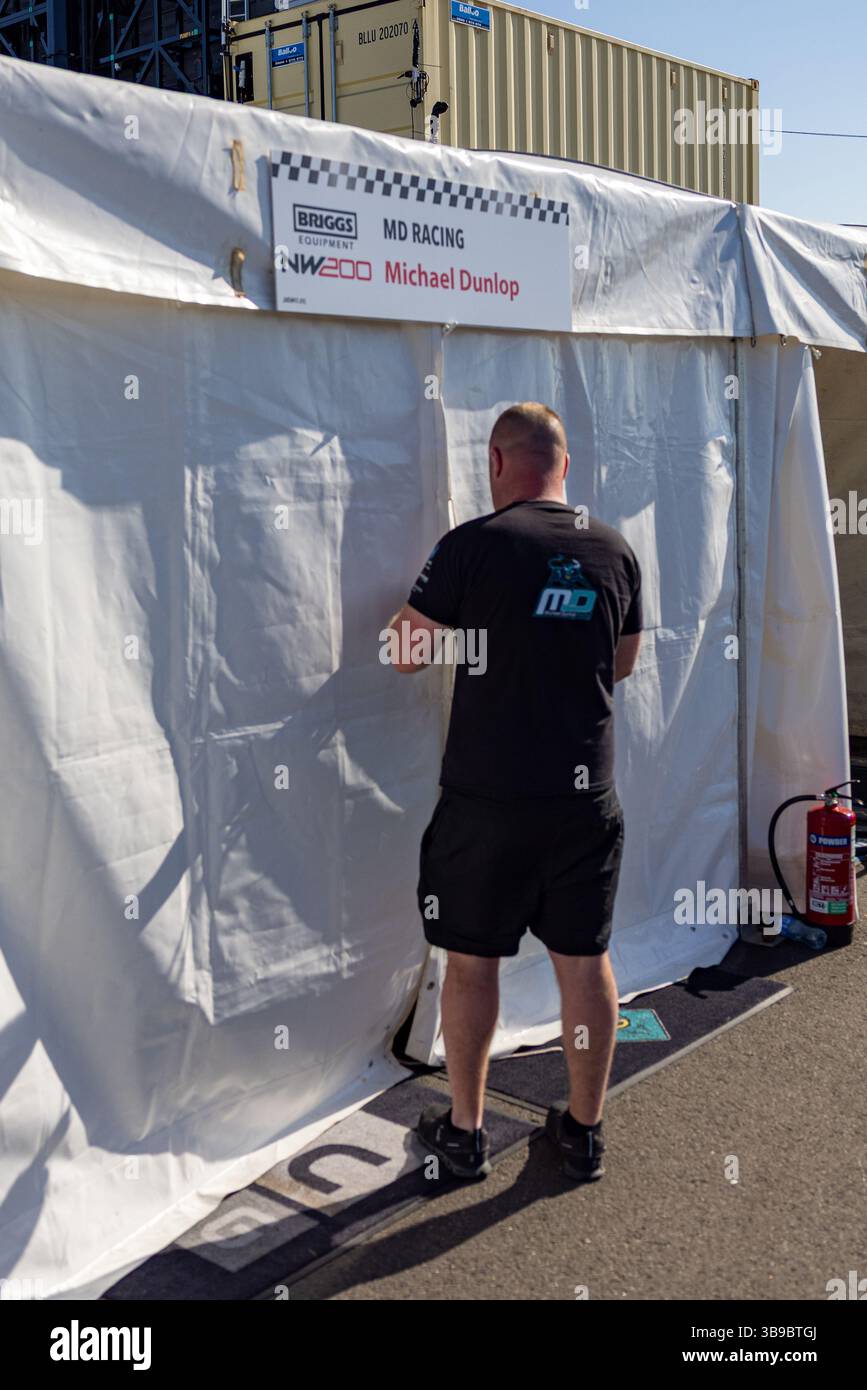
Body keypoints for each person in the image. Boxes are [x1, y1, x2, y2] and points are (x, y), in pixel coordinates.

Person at [386, 402, 642, 1182]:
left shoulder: (472, 546)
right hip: (583, 799)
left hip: (489, 800)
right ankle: (582, 1131)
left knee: (470, 964)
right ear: (563, 466)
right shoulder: (613, 548)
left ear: (496, 464)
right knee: (584, 961)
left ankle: (464, 1136)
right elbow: (622, 662)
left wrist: (481, 635)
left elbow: (403, 651)